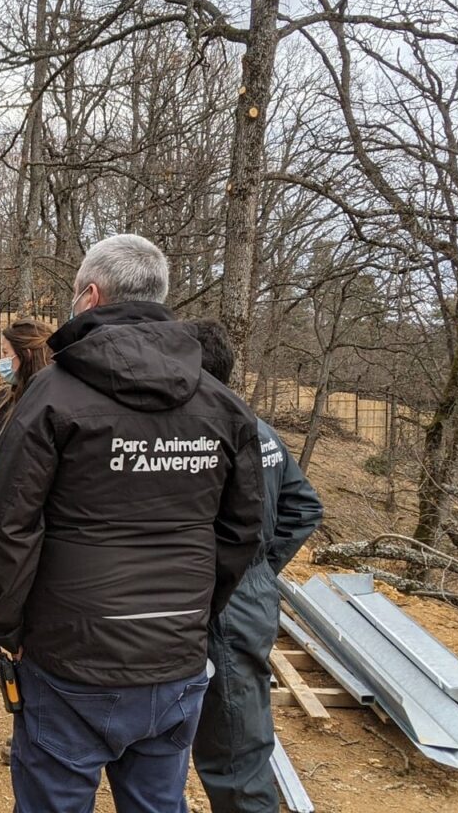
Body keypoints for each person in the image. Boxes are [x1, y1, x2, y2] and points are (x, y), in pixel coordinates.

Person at [0, 234, 266, 813]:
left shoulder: (49, 397)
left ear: (89, 296)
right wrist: (196, 617)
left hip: (69, 659)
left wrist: (9, 630)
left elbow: (10, 526)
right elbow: (241, 535)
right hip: (174, 659)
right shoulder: (223, 407)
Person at [187, 318, 324, 813]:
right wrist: (264, 566)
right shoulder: (257, 426)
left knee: (235, 749)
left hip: (226, 599)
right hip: (251, 592)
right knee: (237, 725)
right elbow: (304, 506)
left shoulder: (209, 434)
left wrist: (246, 568)